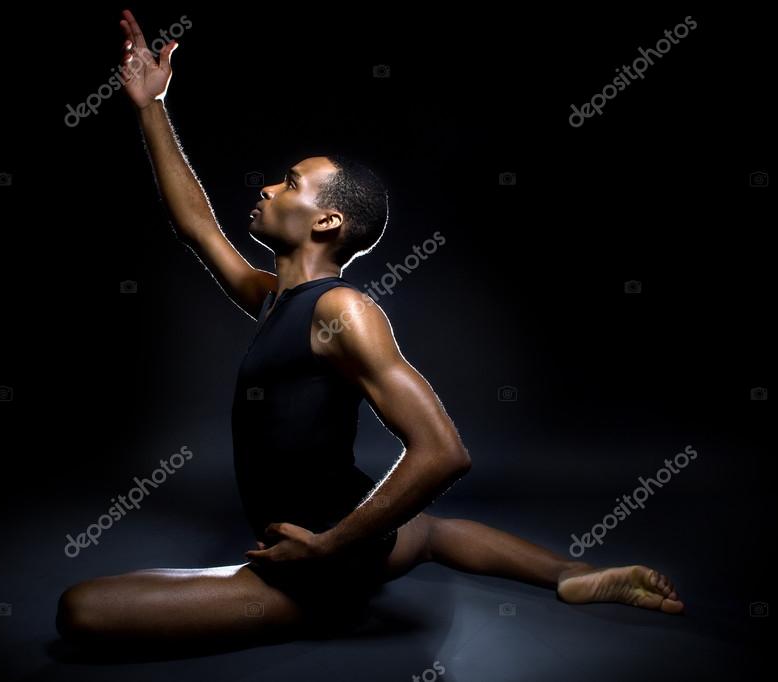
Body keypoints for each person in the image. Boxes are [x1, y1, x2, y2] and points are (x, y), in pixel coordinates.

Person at [55, 9, 684, 648]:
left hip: (318, 563)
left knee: (82, 610)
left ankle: (326, 600)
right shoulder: (276, 300)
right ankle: (574, 573)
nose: (269, 187)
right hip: (355, 530)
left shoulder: (341, 312)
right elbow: (196, 226)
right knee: (432, 535)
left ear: (327, 221)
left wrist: (328, 548)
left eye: (291, 182)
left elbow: (443, 451)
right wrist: (151, 105)